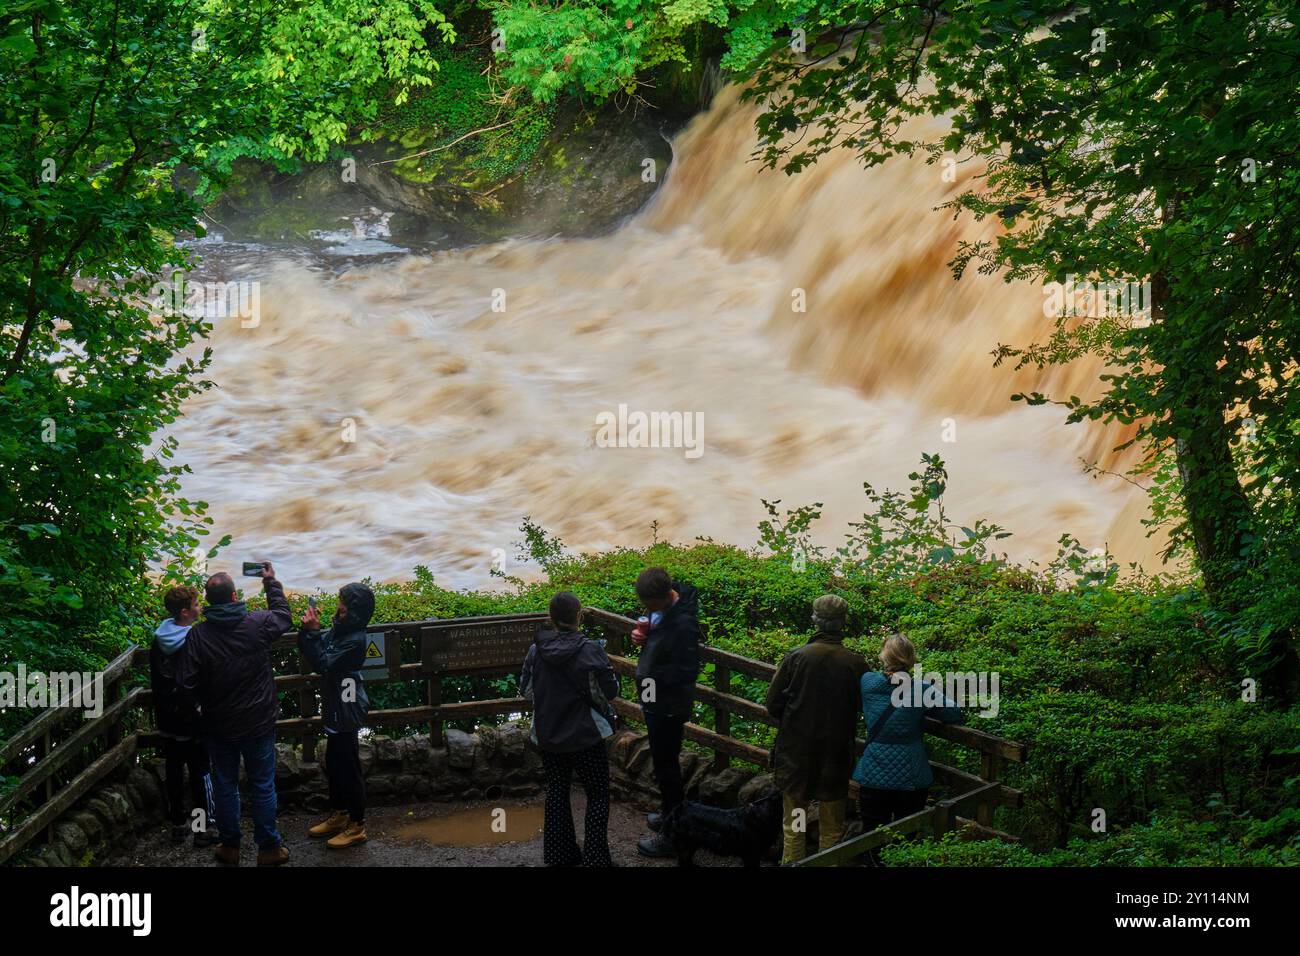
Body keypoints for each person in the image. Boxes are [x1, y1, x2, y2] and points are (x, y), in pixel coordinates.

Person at [175, 562, 293, 866]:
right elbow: (283, 616)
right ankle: (268, 848)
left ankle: (230, 847)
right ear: (234, 596)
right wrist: (270, 583)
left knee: (226, 786)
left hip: (219, 726)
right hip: (258, 722)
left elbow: (185, 685)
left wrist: (199, 713)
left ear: (209, 602)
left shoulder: (198, 637)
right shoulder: (257, 624)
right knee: (262, 784)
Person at [520, 591, 620, 866]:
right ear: (579, 617)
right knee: (598, 794)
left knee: (557, 790)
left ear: (550, 618)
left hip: (548, 734)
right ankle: (596, 859)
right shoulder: (591, 650)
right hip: (586, 735)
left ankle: (558, 855)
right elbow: (609, 692)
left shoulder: (535, 650)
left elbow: (527, 691)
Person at [764, 594, 866, 863]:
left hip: (796, 756)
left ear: (815, 620)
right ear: (843, 623)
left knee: (794, 823)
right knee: (832, 828)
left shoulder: (797, 657)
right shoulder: (855, 663)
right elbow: (863, 706)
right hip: (835, 756)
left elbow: (772, 703)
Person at [852, 633, 964, 862]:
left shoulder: (868, 682)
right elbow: (954, 713)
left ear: (884, 656)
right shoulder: (921, 689)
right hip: (910, 775)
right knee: (908, 837)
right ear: (911, 659)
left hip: (873, 771)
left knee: (872, 834)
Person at [631, 567, 701, 858]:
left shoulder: (683, 624)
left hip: (668, 706)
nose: (646, 609)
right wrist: (644, 636)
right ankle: (669, 813)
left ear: (662, 596)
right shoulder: (668, 611)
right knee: (664, 764)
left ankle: (673, 836)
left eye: (649, 605)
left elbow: (685, 670)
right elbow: (662, 646)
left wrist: (657, 687)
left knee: (667, 768)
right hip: (656, 701)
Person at [298, 583, 374, 850]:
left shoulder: (354, 638)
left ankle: (357, 826)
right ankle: (340, 813)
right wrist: (311, 630)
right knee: (334, 761)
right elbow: (319, 649)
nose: (338, 606)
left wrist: (312, 633)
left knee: (348, 765)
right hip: (337, 701)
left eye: (343, 602)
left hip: (346, 702)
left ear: (353, 609)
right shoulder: (343, 630)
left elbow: (322, 663)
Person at [151, 585, 218, 848]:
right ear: (185, 612)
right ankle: (202, 829)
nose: (200, 608)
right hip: (193, 716)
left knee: (174, 770)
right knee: (201, 771)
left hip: (167, 717)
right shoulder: (195, 638)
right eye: (196, 605)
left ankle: (178, 825)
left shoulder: (159, 636)